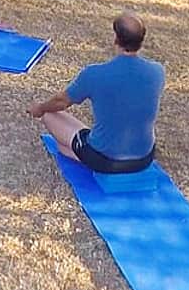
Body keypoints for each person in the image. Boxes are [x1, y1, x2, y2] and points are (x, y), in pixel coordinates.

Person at [28, 12, 164, 174]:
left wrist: (40, 108)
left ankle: (84, 155)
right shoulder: (157, 71)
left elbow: (60, 102)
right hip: (144, 159)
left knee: (49, 115)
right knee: (65, 147)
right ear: (141, 41)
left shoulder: (94, 74)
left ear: (115, 39)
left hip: (106, 161)